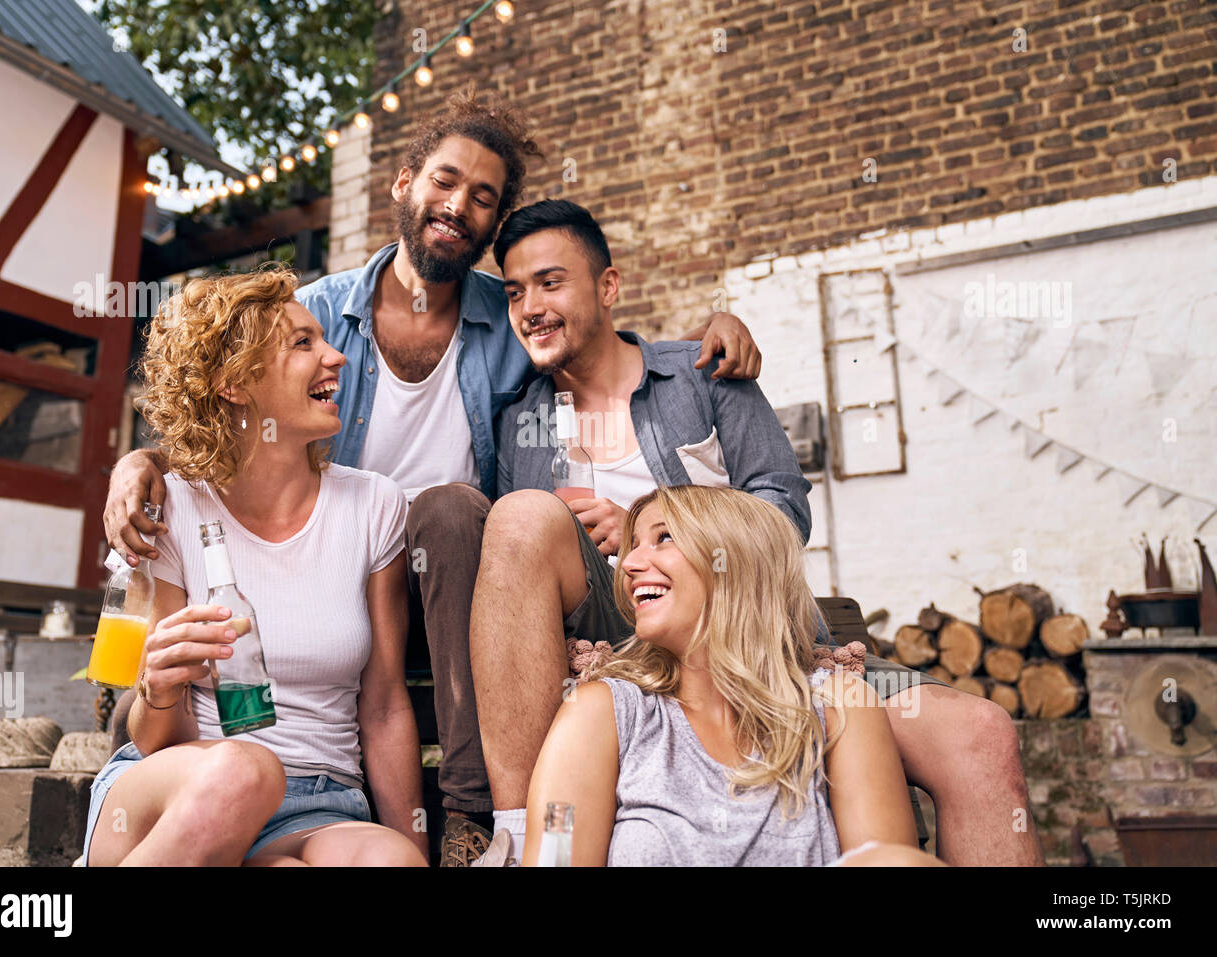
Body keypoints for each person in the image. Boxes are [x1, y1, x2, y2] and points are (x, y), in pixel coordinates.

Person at [103, 88, 766, 865]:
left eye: (483, 199)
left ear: (491, 227)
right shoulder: (316, 313)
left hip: (460, 580)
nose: (458, 206)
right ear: (404, 183)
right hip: (330, 579)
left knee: (448, 510)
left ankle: (468, 814)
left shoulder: (511, 317)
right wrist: (142, 460)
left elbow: (594, 343)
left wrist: (698, 342)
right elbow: (221, 404)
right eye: (445, 181)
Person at [468, 199, 1042, 866]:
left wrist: (650, 531)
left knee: (979, 729)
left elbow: (783, 512)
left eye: (550, 281)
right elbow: (520, 571)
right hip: (622, 637)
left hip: (762, 638)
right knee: (519, 516)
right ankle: (514, 841)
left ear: (609, 285)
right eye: (514, 292)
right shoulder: (521, 423)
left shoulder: (702, 372)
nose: (529, 305)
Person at [83, 268, 426, 866]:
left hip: (321, 806)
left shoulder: (374, 505)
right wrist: (159, 688)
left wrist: (412, 842)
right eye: (303, 343)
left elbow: (385, 702)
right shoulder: (171, 506)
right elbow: (153, 737)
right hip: (183, 789)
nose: (336, 357)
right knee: (247, 770)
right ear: (234, 382)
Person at [523, 485, 946, 866]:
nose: (630, 563)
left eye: (664, 537)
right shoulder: (602, 711)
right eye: (633, 546)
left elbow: (885, 860)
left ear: (735, 562)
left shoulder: (840, 704)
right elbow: (554, 860)